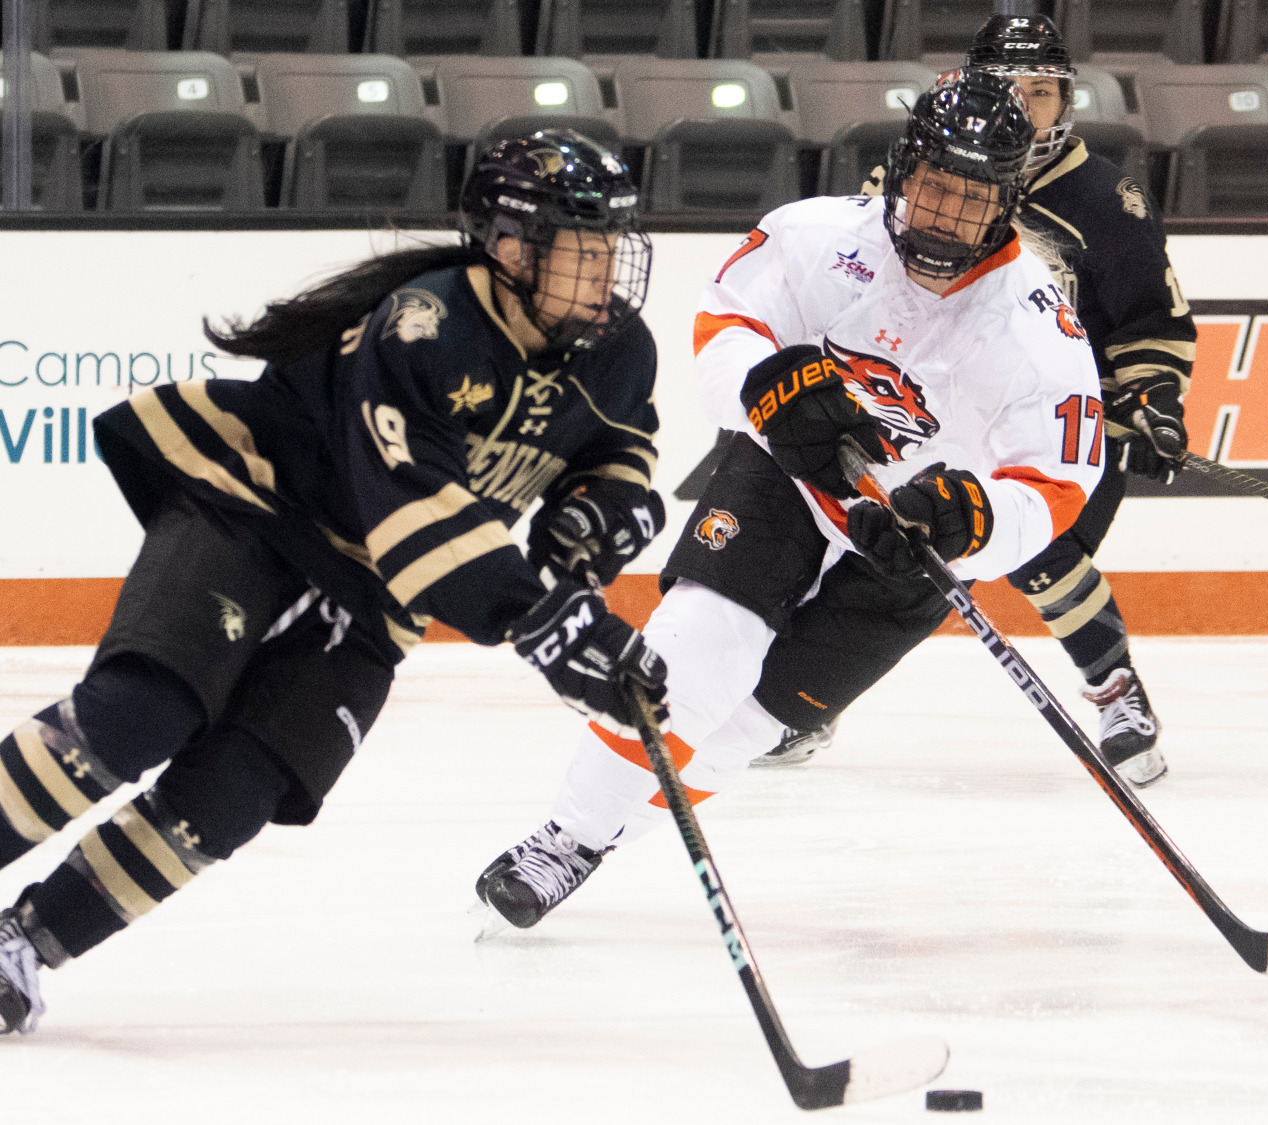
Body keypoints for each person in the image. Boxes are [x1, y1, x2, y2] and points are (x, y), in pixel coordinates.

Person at [0, 130, 670, 1034]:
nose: (609, 273)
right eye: (586, 248)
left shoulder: (617, 351)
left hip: (374, 598)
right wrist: (542, 620)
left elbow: (621, 449)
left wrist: (591, 524)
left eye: (615, 247)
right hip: (258, 512)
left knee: (233, 794)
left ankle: (27, 940)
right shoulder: (425, 326)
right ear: (511, 248)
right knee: (139, 714)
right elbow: (414, 511)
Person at [473, 72, 1103, 931]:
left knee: (750, 725)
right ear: (903, 166)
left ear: (1006, 201)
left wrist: (970, 519)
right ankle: (569, 835)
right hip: (791, 480)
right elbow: (725, 326)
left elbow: (1057, 485)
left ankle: (611, 826)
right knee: (694, 654)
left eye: (969, 197)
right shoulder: (816, 238)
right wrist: (766, 386)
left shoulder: (1039, 329)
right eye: (931, 184)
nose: (941, 212)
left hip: (911, 545)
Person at [757, 14, 1195, 787]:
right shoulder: (921, 174)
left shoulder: (1104, 198)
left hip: (1046, 420)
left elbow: (1150, 322)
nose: (1028, 111)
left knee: (1038, 550)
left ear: (1067, 99)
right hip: (922, 415)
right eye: (1009, 92)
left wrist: (1155, 399)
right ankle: (807, 699)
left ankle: (1117, 691)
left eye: (1043, 93)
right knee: (872, 547)